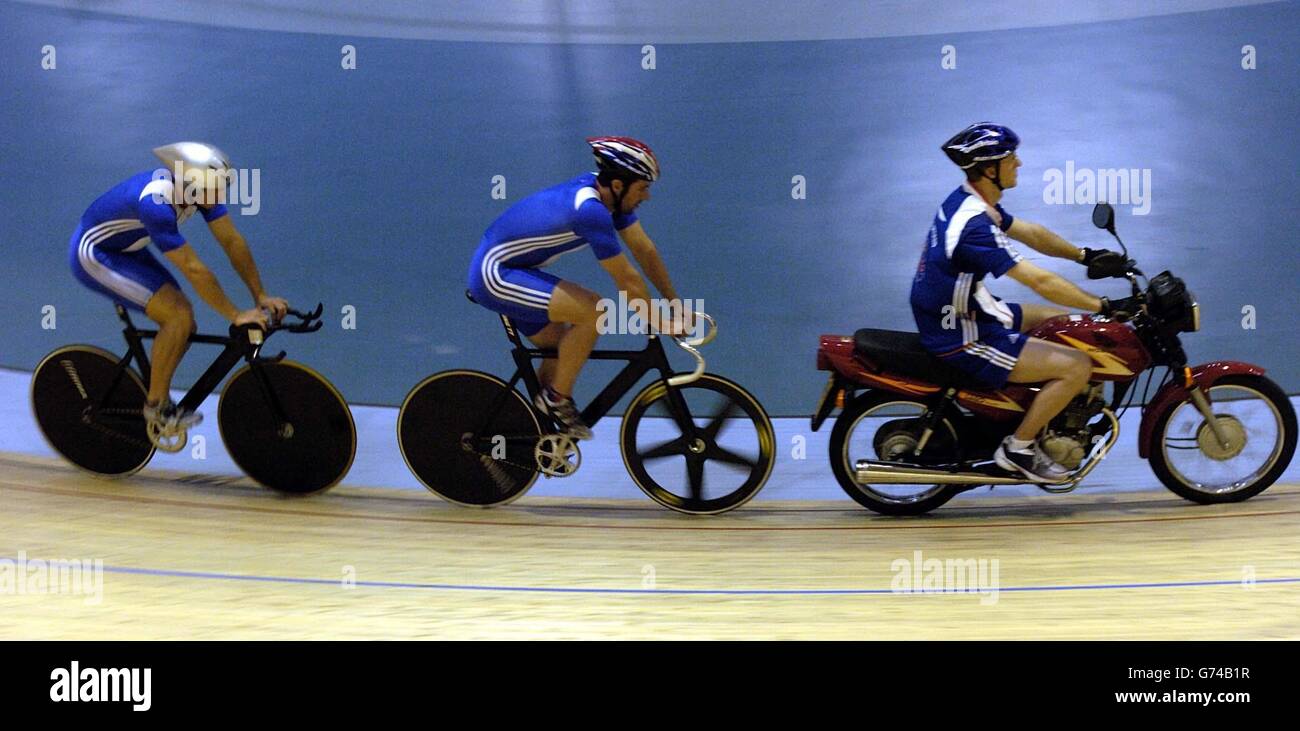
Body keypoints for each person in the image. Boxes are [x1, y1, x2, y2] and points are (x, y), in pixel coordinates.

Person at [910, 122, 1139, 481]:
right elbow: (1038, 279)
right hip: (961, 333)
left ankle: (1049, 413)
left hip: (970, 309)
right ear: (989, 169)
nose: (1019, 163)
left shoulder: (971, 200)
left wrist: (1084, 255)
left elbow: (1032, 233)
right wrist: (1104, 306)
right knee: (1077, 365)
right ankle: (1018, 448)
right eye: (1010, 158)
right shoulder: (974, 228)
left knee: (1066, 321)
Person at [467, 136, 687, 439]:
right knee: (594, 310)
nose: (646, 196)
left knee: (563, 350)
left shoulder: (609, 197)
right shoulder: (591, 211)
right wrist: (660, 321)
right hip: (495, 274)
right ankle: (557, 400)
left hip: (515, 270)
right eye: (643, 188)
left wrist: (673, 302)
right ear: (619, 185)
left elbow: (644, 250)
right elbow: (627, 279)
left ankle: (537, 434)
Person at [69, 142, 287, 437]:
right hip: (95, 255)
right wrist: (235, 315)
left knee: (184, 322)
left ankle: (157, 388)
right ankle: (156, 407)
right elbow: (194, 269)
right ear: (193, 184)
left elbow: (232, 242)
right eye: (215, 188)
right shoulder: (155, 204)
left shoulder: (199, 192)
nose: (220, 195)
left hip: (128, 249)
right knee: (177, 317)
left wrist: (259, 295)